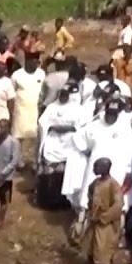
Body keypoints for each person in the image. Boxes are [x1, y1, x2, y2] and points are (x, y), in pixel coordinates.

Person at [68, 95, 132, 223]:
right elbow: (78, 140)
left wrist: (128, 169)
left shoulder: (125, 128)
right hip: (95, 168)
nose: (110, 116)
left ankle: (118, 233)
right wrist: (87, 153)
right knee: (87, 199)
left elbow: (130, 150)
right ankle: (81, 228)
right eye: (109, 113)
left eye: (114, 114)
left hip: (117, 169)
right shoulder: (95, 125)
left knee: (118, 201)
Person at [36, 81, 86, 209]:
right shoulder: (52, 107)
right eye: (61, 93)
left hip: (69, 145)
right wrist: (53, 127)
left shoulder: (78, 109)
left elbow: (82, 126)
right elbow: (42, 123)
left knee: (64, 175)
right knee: (49, 174)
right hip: (53, 144)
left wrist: (68, 128)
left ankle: (64, 202)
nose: (64, 96)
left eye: (66, 94)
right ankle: (48, 201)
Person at [83, 157, 124, 264]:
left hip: (106, 224)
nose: (94, 169)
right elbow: (90, 196)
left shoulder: (113, 185)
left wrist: (103, 217)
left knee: (102, 251)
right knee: (90, 247)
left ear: (105, 168)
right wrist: (91, 212)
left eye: (97, 166)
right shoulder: (95, 183)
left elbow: (118, 205)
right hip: (94, 222)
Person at [11, 53, 45, 168]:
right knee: (18, 136)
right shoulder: (17, 75)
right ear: (27, 61)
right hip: (20, 110)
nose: (36, 64)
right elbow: (12, 92)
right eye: (34, 61)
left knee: (34, 136)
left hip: (36, 110)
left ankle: (31, 161)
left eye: (37, 61)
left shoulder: (41, 74)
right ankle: (18, 161)